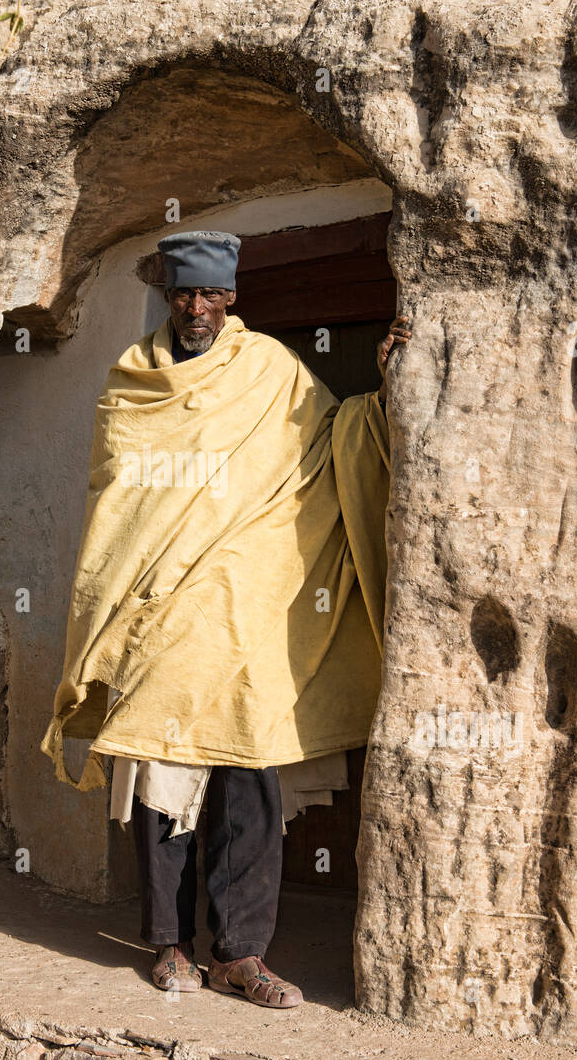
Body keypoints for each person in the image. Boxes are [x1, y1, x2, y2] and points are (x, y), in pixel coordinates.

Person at [42, 229, 411, 1007]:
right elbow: (120, 502)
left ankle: (240, 953)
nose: (197, 308)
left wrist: (384, 395)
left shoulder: (270, 370)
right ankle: (169, 945)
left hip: (242, 619)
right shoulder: (131, 379)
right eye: (183, 293)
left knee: (250, 789)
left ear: (232, 296)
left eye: (211, 294)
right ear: (167, 297)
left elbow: (331, 445)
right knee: (158, 788)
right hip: (161, 618)